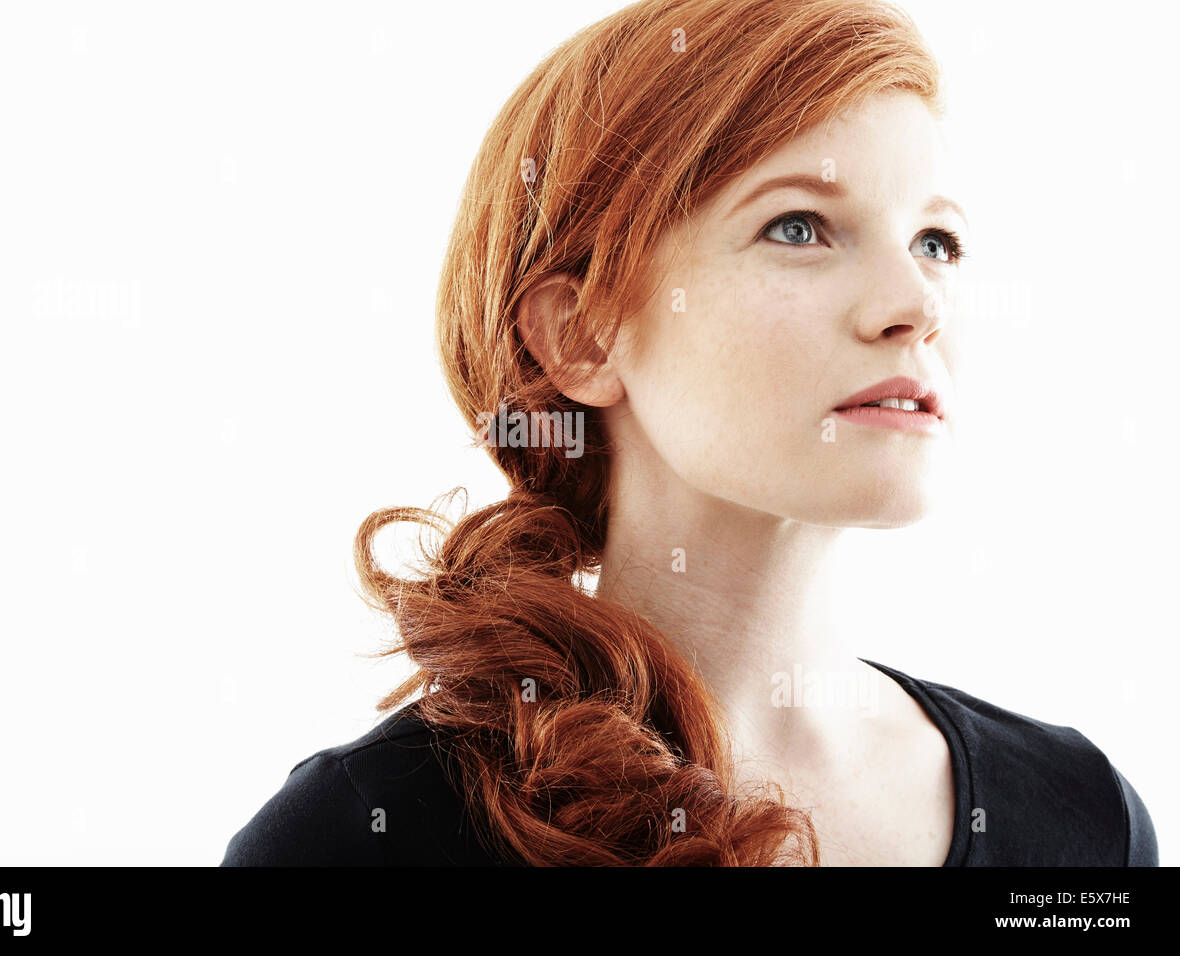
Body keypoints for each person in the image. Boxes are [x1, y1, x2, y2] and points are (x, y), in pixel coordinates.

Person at [221, 0, 1158, 866]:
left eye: (936, 243)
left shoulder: (1081, 822)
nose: (917, 305)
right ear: (582, 334)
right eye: (800, 227)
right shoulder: (366, 835)